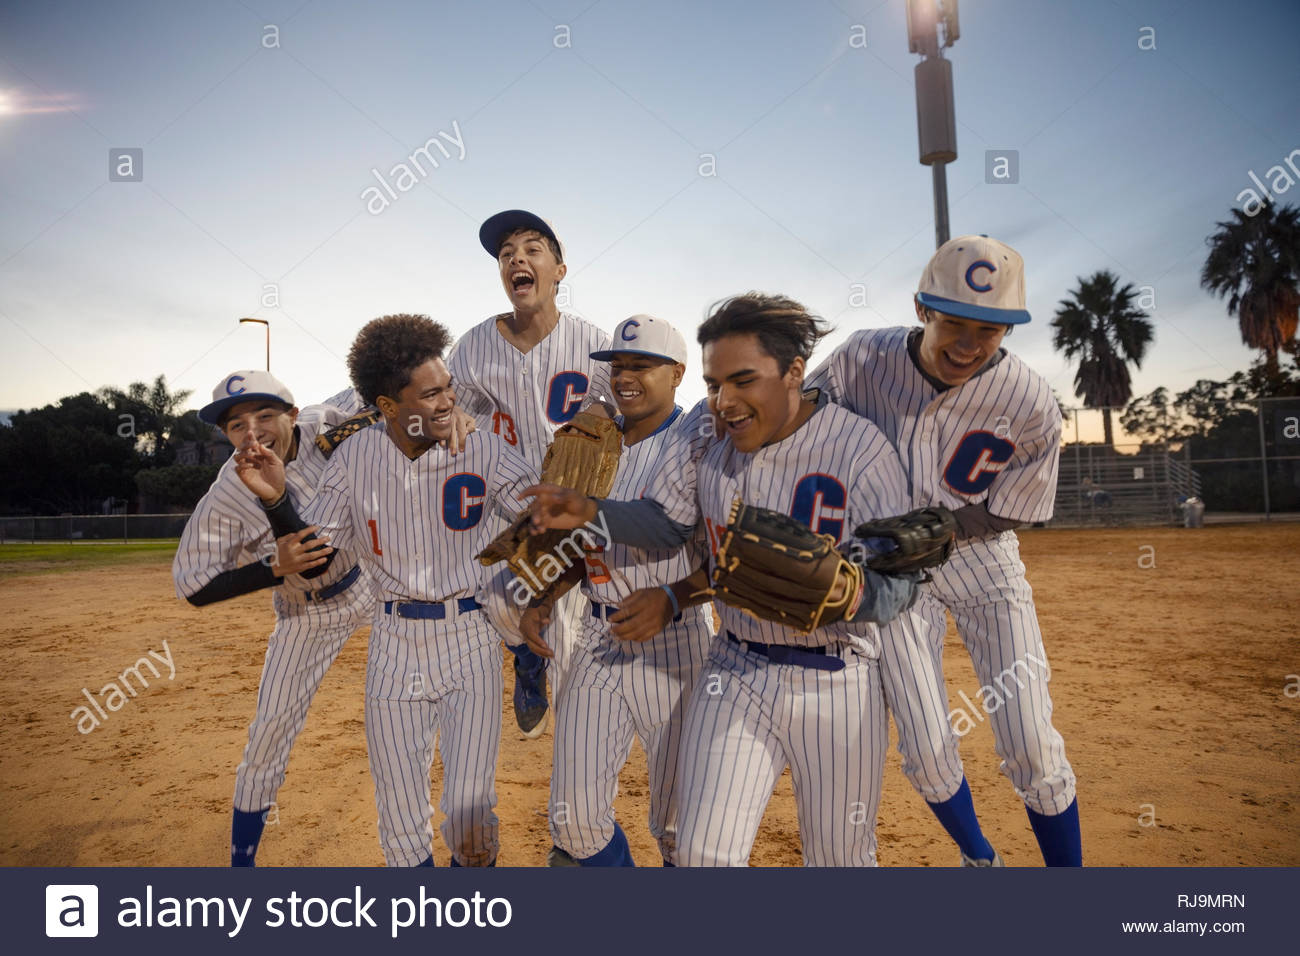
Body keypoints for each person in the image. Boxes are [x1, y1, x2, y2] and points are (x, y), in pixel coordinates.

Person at [523, 294, 921, 865]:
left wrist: (847, 591)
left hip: (833, 675)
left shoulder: (859, 448)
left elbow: (898, 583)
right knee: (695, 852)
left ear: (793, 372)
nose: (724, 401)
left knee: (840, 857)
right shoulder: (704, 438)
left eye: (742, 380)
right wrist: (588, 537)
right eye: (716, 385)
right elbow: (673, 527)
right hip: (731, 667)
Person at [807, 235, 1082, 866]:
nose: (969, 343)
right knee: (927, 750)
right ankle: (980, 859)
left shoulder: (1030, 400)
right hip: (889, 570)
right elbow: (801, 417)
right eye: (954, 321)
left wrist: (941, 528)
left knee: (1032, 743)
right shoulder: (862, 357)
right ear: (921, 308)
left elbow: (1016, 506)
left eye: (989, 329)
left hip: (984, 561)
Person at [237, 314, 537, 866]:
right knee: (400, 823)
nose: (448, 401)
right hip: (394, 642)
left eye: (449, 388)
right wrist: (277, 500)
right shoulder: (353, 457)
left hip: (470, 636)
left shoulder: (484, 449)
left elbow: (541, 520)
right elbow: (316, 555)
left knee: (472, 817)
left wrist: (523, 583)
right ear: (389, 406)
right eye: (431, 395)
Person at [522, 316, 713, 866]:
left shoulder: (697, 441)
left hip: (678, 648)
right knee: (572, 822)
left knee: (682, 830)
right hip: (599, 638)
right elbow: (586, 542)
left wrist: (676, 597)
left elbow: (720, 554)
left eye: (642, 366)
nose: (626, 377)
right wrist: (547, 594)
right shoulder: (597, 445)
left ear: (677, 373)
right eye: (619, 366)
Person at [173, 369, 372, 866]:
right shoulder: (227, 492)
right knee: (269, 733)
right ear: (225, 435)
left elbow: (384, 383)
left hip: (372, 580)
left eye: (264, 415)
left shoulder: (327, 420)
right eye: (237, 425)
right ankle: (242, 863)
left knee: (455, 612)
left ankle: (524, 656)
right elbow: (194, 585)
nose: (253, 432)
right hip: (306, 613)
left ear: (291, 413)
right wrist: (271, 569)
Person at [446, 209, 613, 737]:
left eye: (532, 248)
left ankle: (569, 735)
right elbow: (452, 413)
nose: (516, 258)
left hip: (568, 505)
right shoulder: (472, 347)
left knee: (564, 633)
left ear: (559, 270)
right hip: (503, 506)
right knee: (484, 594)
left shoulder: (595, 344)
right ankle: (524, 655)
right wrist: (457, 420)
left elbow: (619, 421)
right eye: (505, 253)